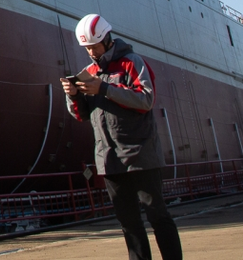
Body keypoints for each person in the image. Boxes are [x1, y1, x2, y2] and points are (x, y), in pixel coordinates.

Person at [63, 14, 182, 260]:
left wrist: (104, 89)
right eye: (87, 49)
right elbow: (82, 115)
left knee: (158, 216)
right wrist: (74, 95)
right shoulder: (89, 72)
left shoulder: (132, 63)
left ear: (107, 40)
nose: (92, 52)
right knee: (129, 224)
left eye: (94, 46)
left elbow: (146, 99)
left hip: (141, 156)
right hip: (109, 160)